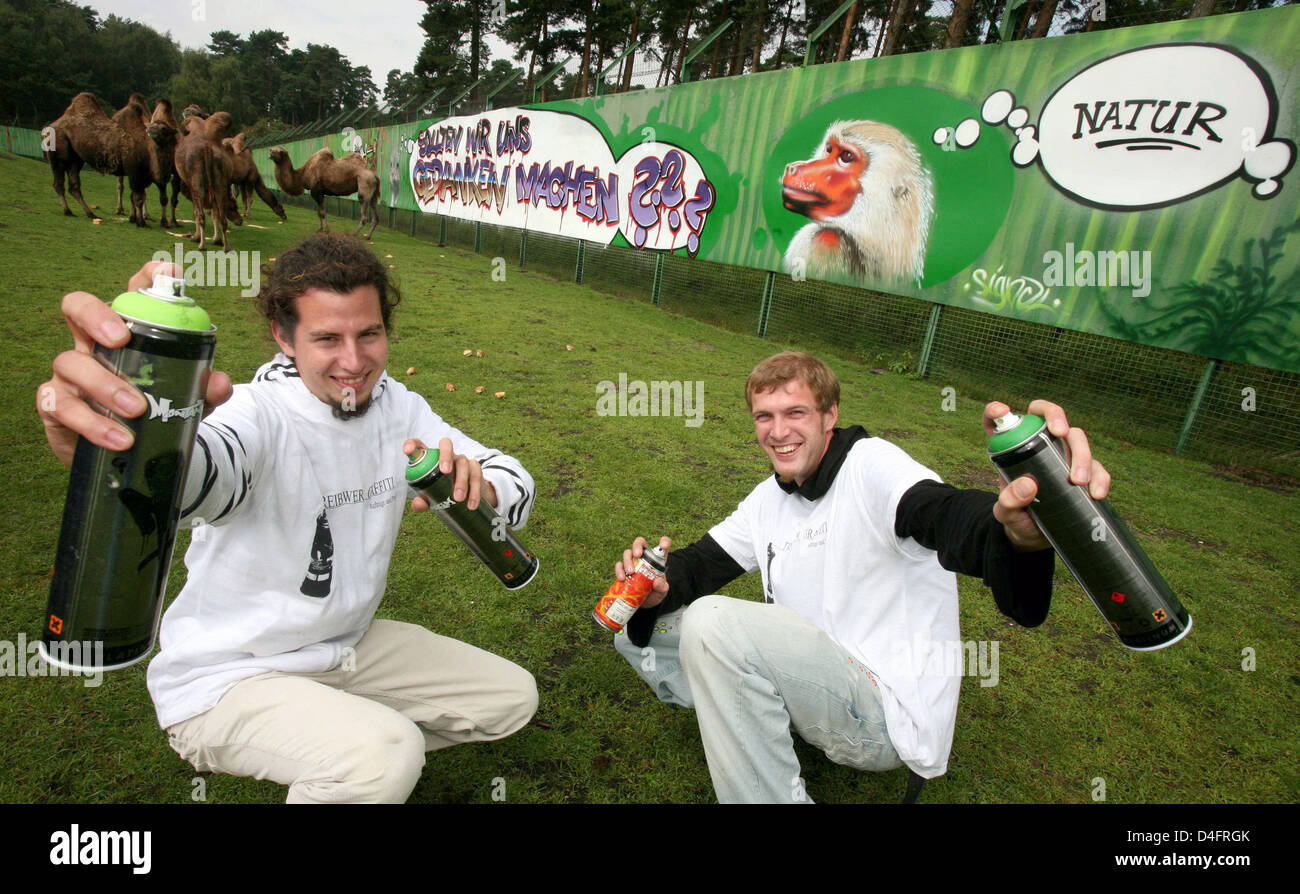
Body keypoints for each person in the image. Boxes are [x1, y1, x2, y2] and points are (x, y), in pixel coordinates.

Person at [37, 233, 538, 803]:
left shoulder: (399, 406)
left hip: (346, 647)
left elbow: (511, 473)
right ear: (283, 336)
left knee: (511, 699)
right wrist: (112, 447)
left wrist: (487, 488)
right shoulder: (257, 414)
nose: (354, 362)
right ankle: (354, 751)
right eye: (327, 338)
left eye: (369, 334)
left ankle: (335, 734)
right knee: (385, 753)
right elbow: (195, 477)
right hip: (226, 675)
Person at [611, 351, 1109, 803]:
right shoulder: (771, 496)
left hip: (882, 711)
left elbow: (942, 511)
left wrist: (1011, 529)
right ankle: (747, 716)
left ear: (830, 416)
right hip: (818, 679)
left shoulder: (873, 466)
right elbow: (700, 564)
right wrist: (653, 587)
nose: (777, 431)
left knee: (714, 625)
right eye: (765, 416)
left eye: (795, 413)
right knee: (631, 623)